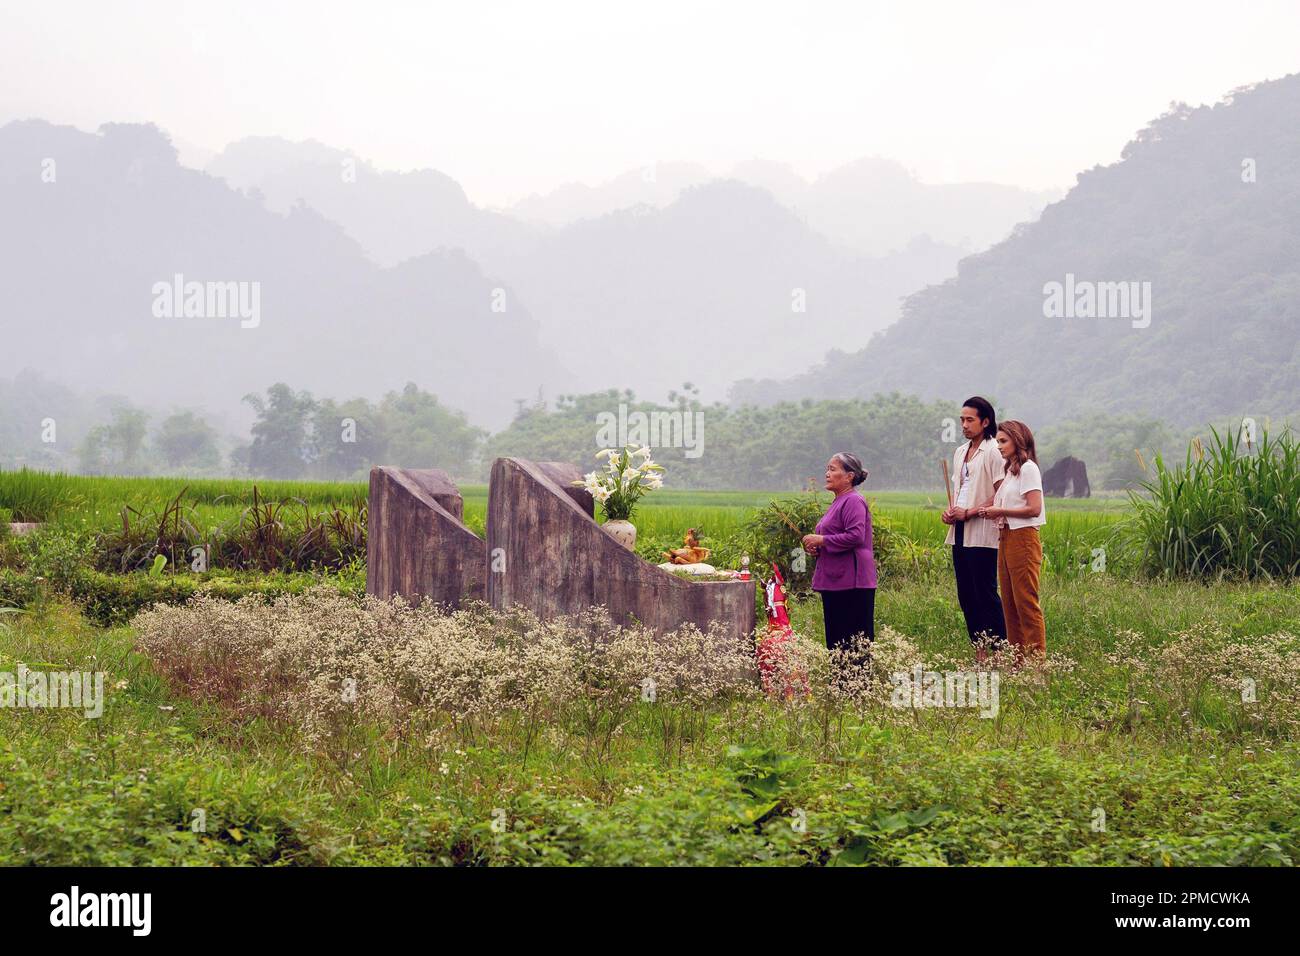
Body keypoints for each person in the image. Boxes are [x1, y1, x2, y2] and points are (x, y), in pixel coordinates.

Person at [940, 397, 1006, 663]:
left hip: (984, 533)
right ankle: (980, 652)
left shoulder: (993, 450)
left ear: (985, 421)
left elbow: (1002, 492)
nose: (964, 425)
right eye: (962, 420)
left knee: (985, 593)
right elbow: (961, 491)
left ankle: (1002, 652)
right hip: (960, 531)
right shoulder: (960, 452)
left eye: (970, 420)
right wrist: (952, 511)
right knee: (966, 594)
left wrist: (969, 512)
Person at [977, 420, 1047, 661]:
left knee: (1026, 602)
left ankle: (1036, 662)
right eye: (997, 441)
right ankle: (1019, 661)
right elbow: (1003, 503)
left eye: (1003, 441)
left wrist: (1002, 512)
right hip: (1006, 535)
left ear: (1018, 441)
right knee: (1009, 602)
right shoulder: (1011, 471)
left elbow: (1034, 508)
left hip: (1023, 537)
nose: (999, 446)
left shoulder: (1029, 469)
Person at [801, 453, 876, 660]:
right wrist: (817, 547)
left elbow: (856, 536)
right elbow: (834, 537)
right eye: (828, 468)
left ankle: (858, 688)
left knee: (854, 641)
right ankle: (842, 687)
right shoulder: (838, 501)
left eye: (833, 469)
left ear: (849, 476)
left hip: (853, 582)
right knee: (837, 640)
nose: (827, 473)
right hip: (836, 580)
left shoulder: (853, 500)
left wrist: (822, 541)